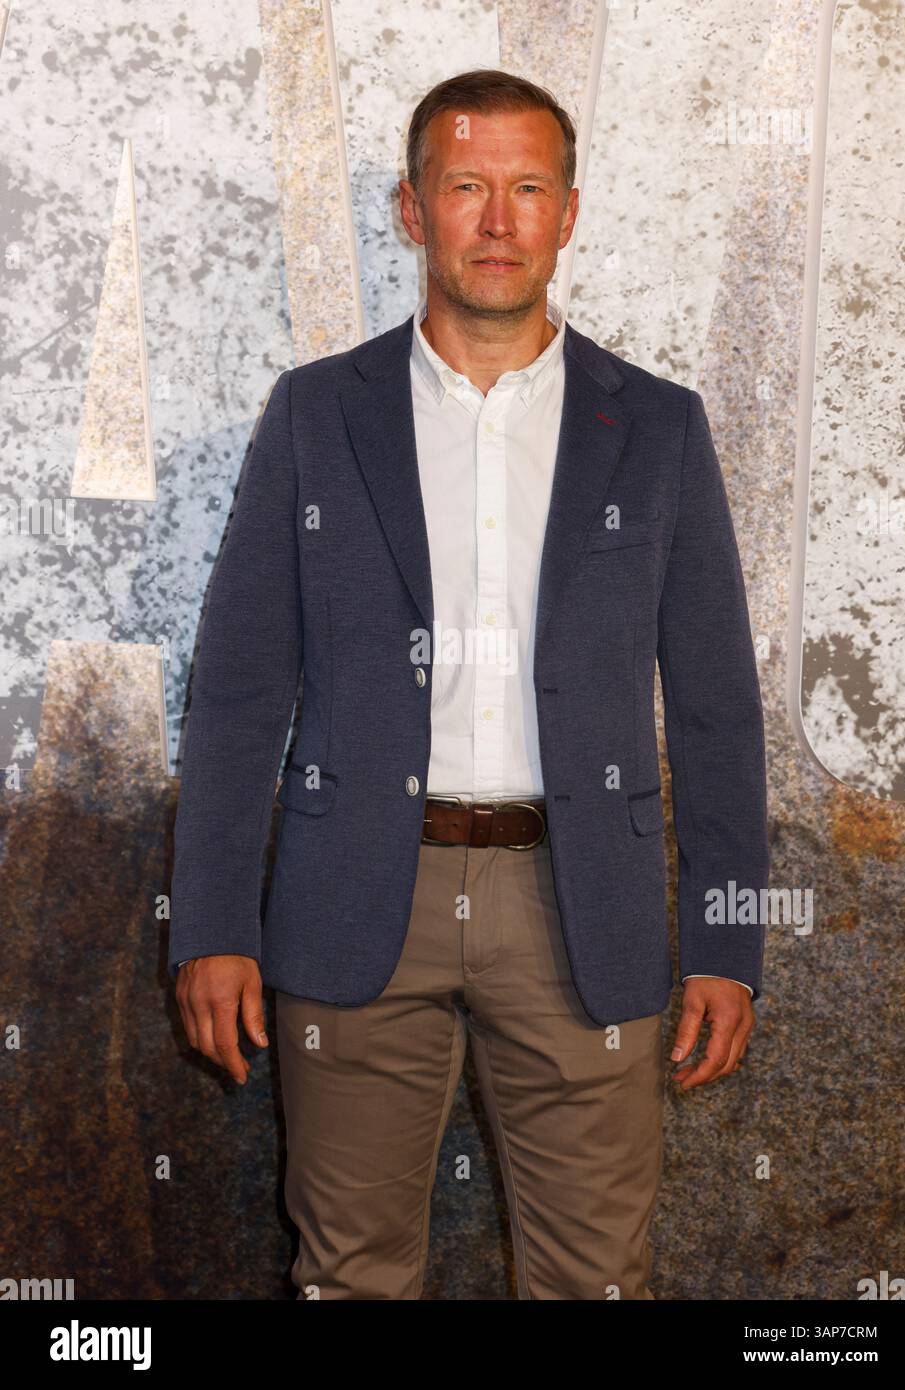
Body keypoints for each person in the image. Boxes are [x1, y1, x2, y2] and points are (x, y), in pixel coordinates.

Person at [169, 68, 769, 1300]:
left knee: (597, 1276)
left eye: (527, 189)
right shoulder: (314, 415)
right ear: (411, 209)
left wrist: (728, 935)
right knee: (348, 1275)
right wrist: (214, 920)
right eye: (465, 188)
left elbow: (714, 706)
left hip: (579, 904)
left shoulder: (656, 428)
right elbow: (236, 694)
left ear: (569, 212)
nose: (498, 221)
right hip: (351, 906)